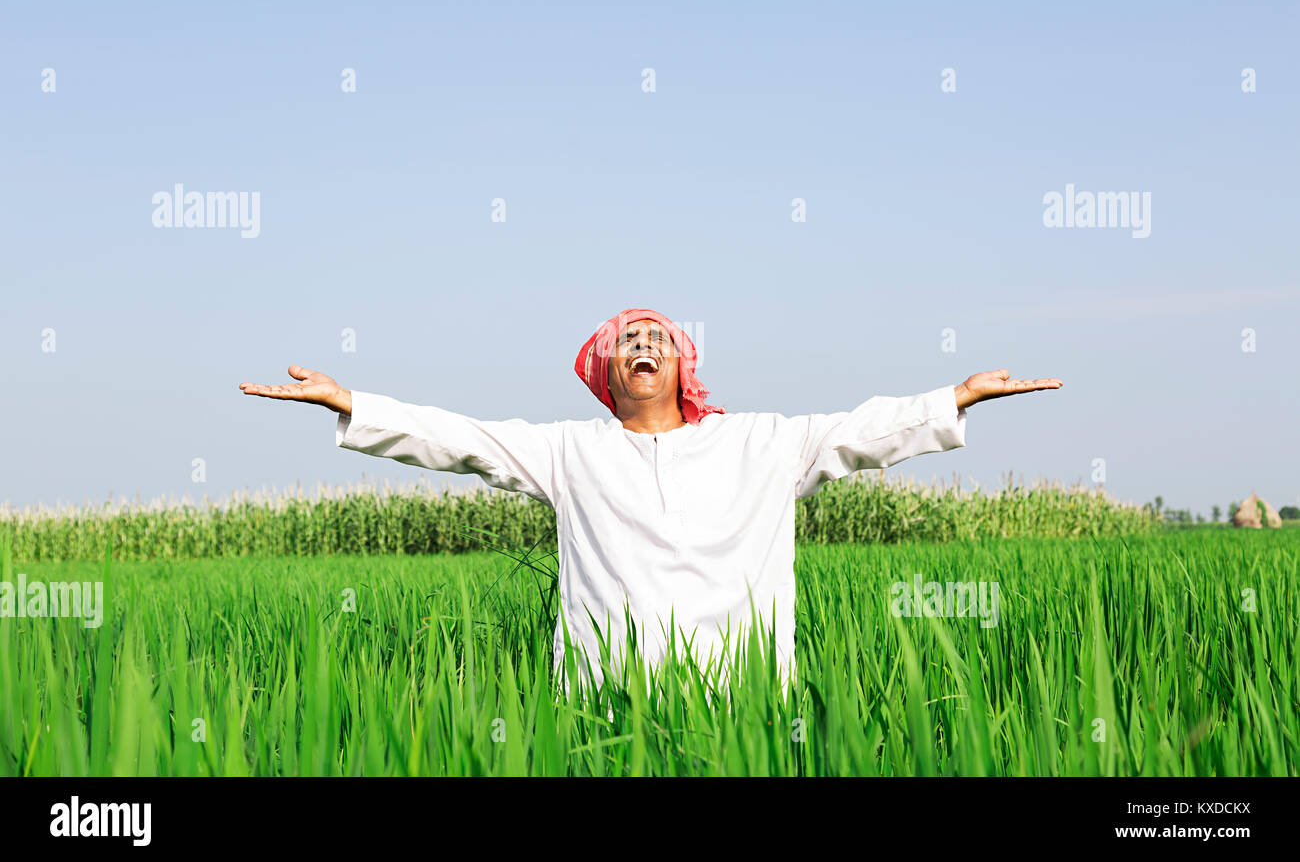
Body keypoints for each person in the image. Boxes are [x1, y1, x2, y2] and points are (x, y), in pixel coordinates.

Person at [239, 308, 1061, 695]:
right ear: (608, 375)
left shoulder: (761, 442)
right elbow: (461, 439)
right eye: (626, 342)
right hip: (606, 701)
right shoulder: (571, 451)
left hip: (743, 699)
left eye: (656, 339)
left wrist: (955, 397)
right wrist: (353, 404)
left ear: (680, 366)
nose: (642, 346)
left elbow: (863, 430)